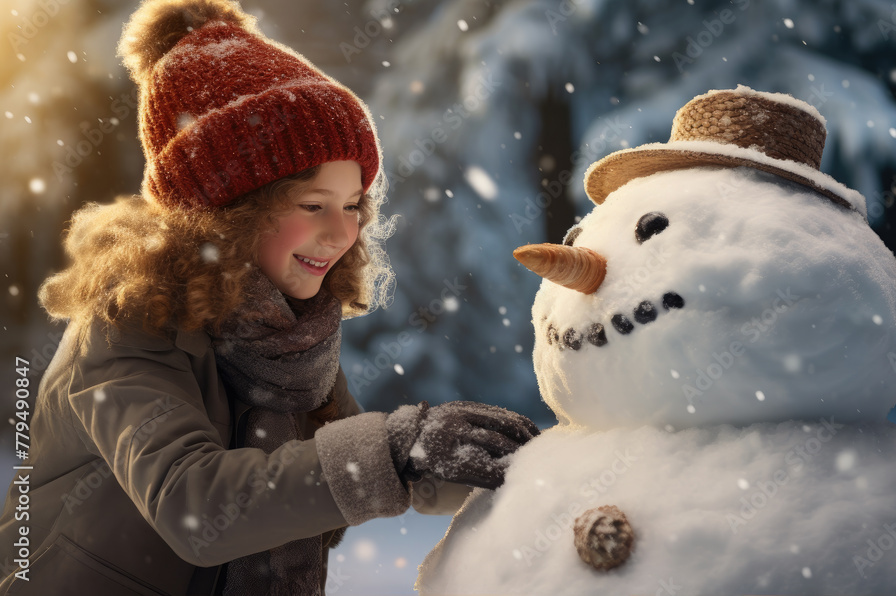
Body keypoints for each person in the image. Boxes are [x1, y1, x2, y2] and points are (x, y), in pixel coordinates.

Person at [0, 0, 539, 594]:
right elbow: (195, 505)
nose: (342, 232)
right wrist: (394, 450)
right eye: (313, 205)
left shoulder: (286, 336)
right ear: (230, 214)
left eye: (352, 205)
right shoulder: (126, 328)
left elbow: (351, 475)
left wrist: (516, 473)